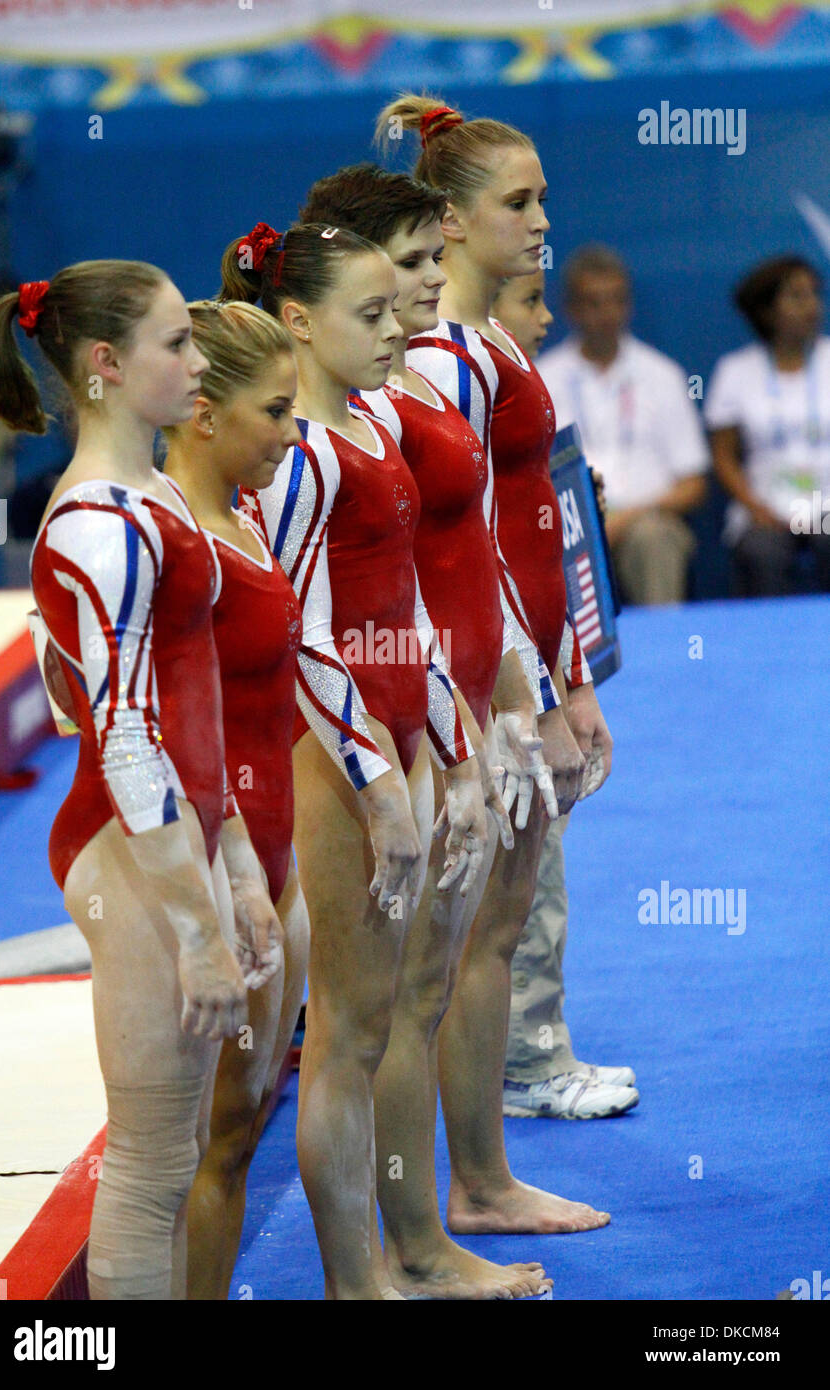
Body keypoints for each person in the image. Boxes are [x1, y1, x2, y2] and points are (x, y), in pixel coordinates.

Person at [220, 221, 524, 1298]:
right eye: (370, 312)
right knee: (346, 1035)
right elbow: (301, 635)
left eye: (395, 308)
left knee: (404, 1006)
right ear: (297, 321)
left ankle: (415, 1244)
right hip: (336, 756)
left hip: (399, 736)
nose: (398, 325)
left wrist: (456, 748)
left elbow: (405, 615)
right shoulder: (297, 453)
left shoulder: (370, 428)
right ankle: (359, 1279)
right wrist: (378, 783)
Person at [0, 261, 281, 1299]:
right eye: (176, 344)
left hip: (178, 839)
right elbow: (124, 739)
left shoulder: (152, 494)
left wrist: (235, 862)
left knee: (179, 1144)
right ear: (106, 365)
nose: (199, 364)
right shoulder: (96, 525)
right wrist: (195, 927)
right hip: (130, 848)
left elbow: (203, 710)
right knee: (151, 1168)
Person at [300, 163, 564, 1292]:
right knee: (369, 1019)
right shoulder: (345, 418)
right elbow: (315, 615)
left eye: (423, 262)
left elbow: (458, 561)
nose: (425, 283)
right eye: (402, 267)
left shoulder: (398, 394)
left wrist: (497, 696)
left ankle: (432, 1223)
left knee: (424, 987)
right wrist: (397, 751)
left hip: (433, 711)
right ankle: (405, 1247)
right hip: (365, 738)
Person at [376, 93, 616, 1228]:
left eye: (541, 199)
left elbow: (536, 523)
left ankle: (477, 1178)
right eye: (515, 203)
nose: (537, 222)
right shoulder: (439, 359)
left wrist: (573, 678)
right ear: (453, 219)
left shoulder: (481, 343)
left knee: (491, 935)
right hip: (472, 683)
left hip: (507, 667)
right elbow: (454, 550)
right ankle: (466, 1186)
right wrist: (519, 700)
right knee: (464, 945)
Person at [162, 299, 311, 1300]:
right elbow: (160, 736)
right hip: (215, 864)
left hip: (272, 853)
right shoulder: (173, 541)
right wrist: (226, 878)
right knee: (202, 1133)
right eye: (275, 411)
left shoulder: (248, 513)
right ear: (204, 413)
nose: (294, 434)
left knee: (242, 1116)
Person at [493, 266, 639, 1117]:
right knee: (520, 880)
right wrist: (537, 697)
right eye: (531, 301)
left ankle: (532, 1050)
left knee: (529, 876)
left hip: (524, 664)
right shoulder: (462, 387)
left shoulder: (517, 401)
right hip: (489, 680)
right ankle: (525, 1063)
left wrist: (572, 677)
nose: (548, 318)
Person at [537, 244, 707, 606]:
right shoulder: (541, 379)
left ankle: (667, 650)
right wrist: (585, 523)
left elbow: (693, 484)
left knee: (654, 538)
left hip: (646, 520)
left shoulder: (662, 375)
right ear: (570, 309)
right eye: (593, 303)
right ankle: (562, 661)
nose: (607, 314)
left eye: (616, 300)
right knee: (546, 538)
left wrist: (626, 519)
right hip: (569, 523)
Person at [705, 254, 830, 595]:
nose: (811, 307)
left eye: (814, 295)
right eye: (797, 296)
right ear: (766, 311)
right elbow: (724, 457)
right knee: (762, 553)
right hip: (764, 509)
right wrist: (755, 507)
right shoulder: (735, 371)